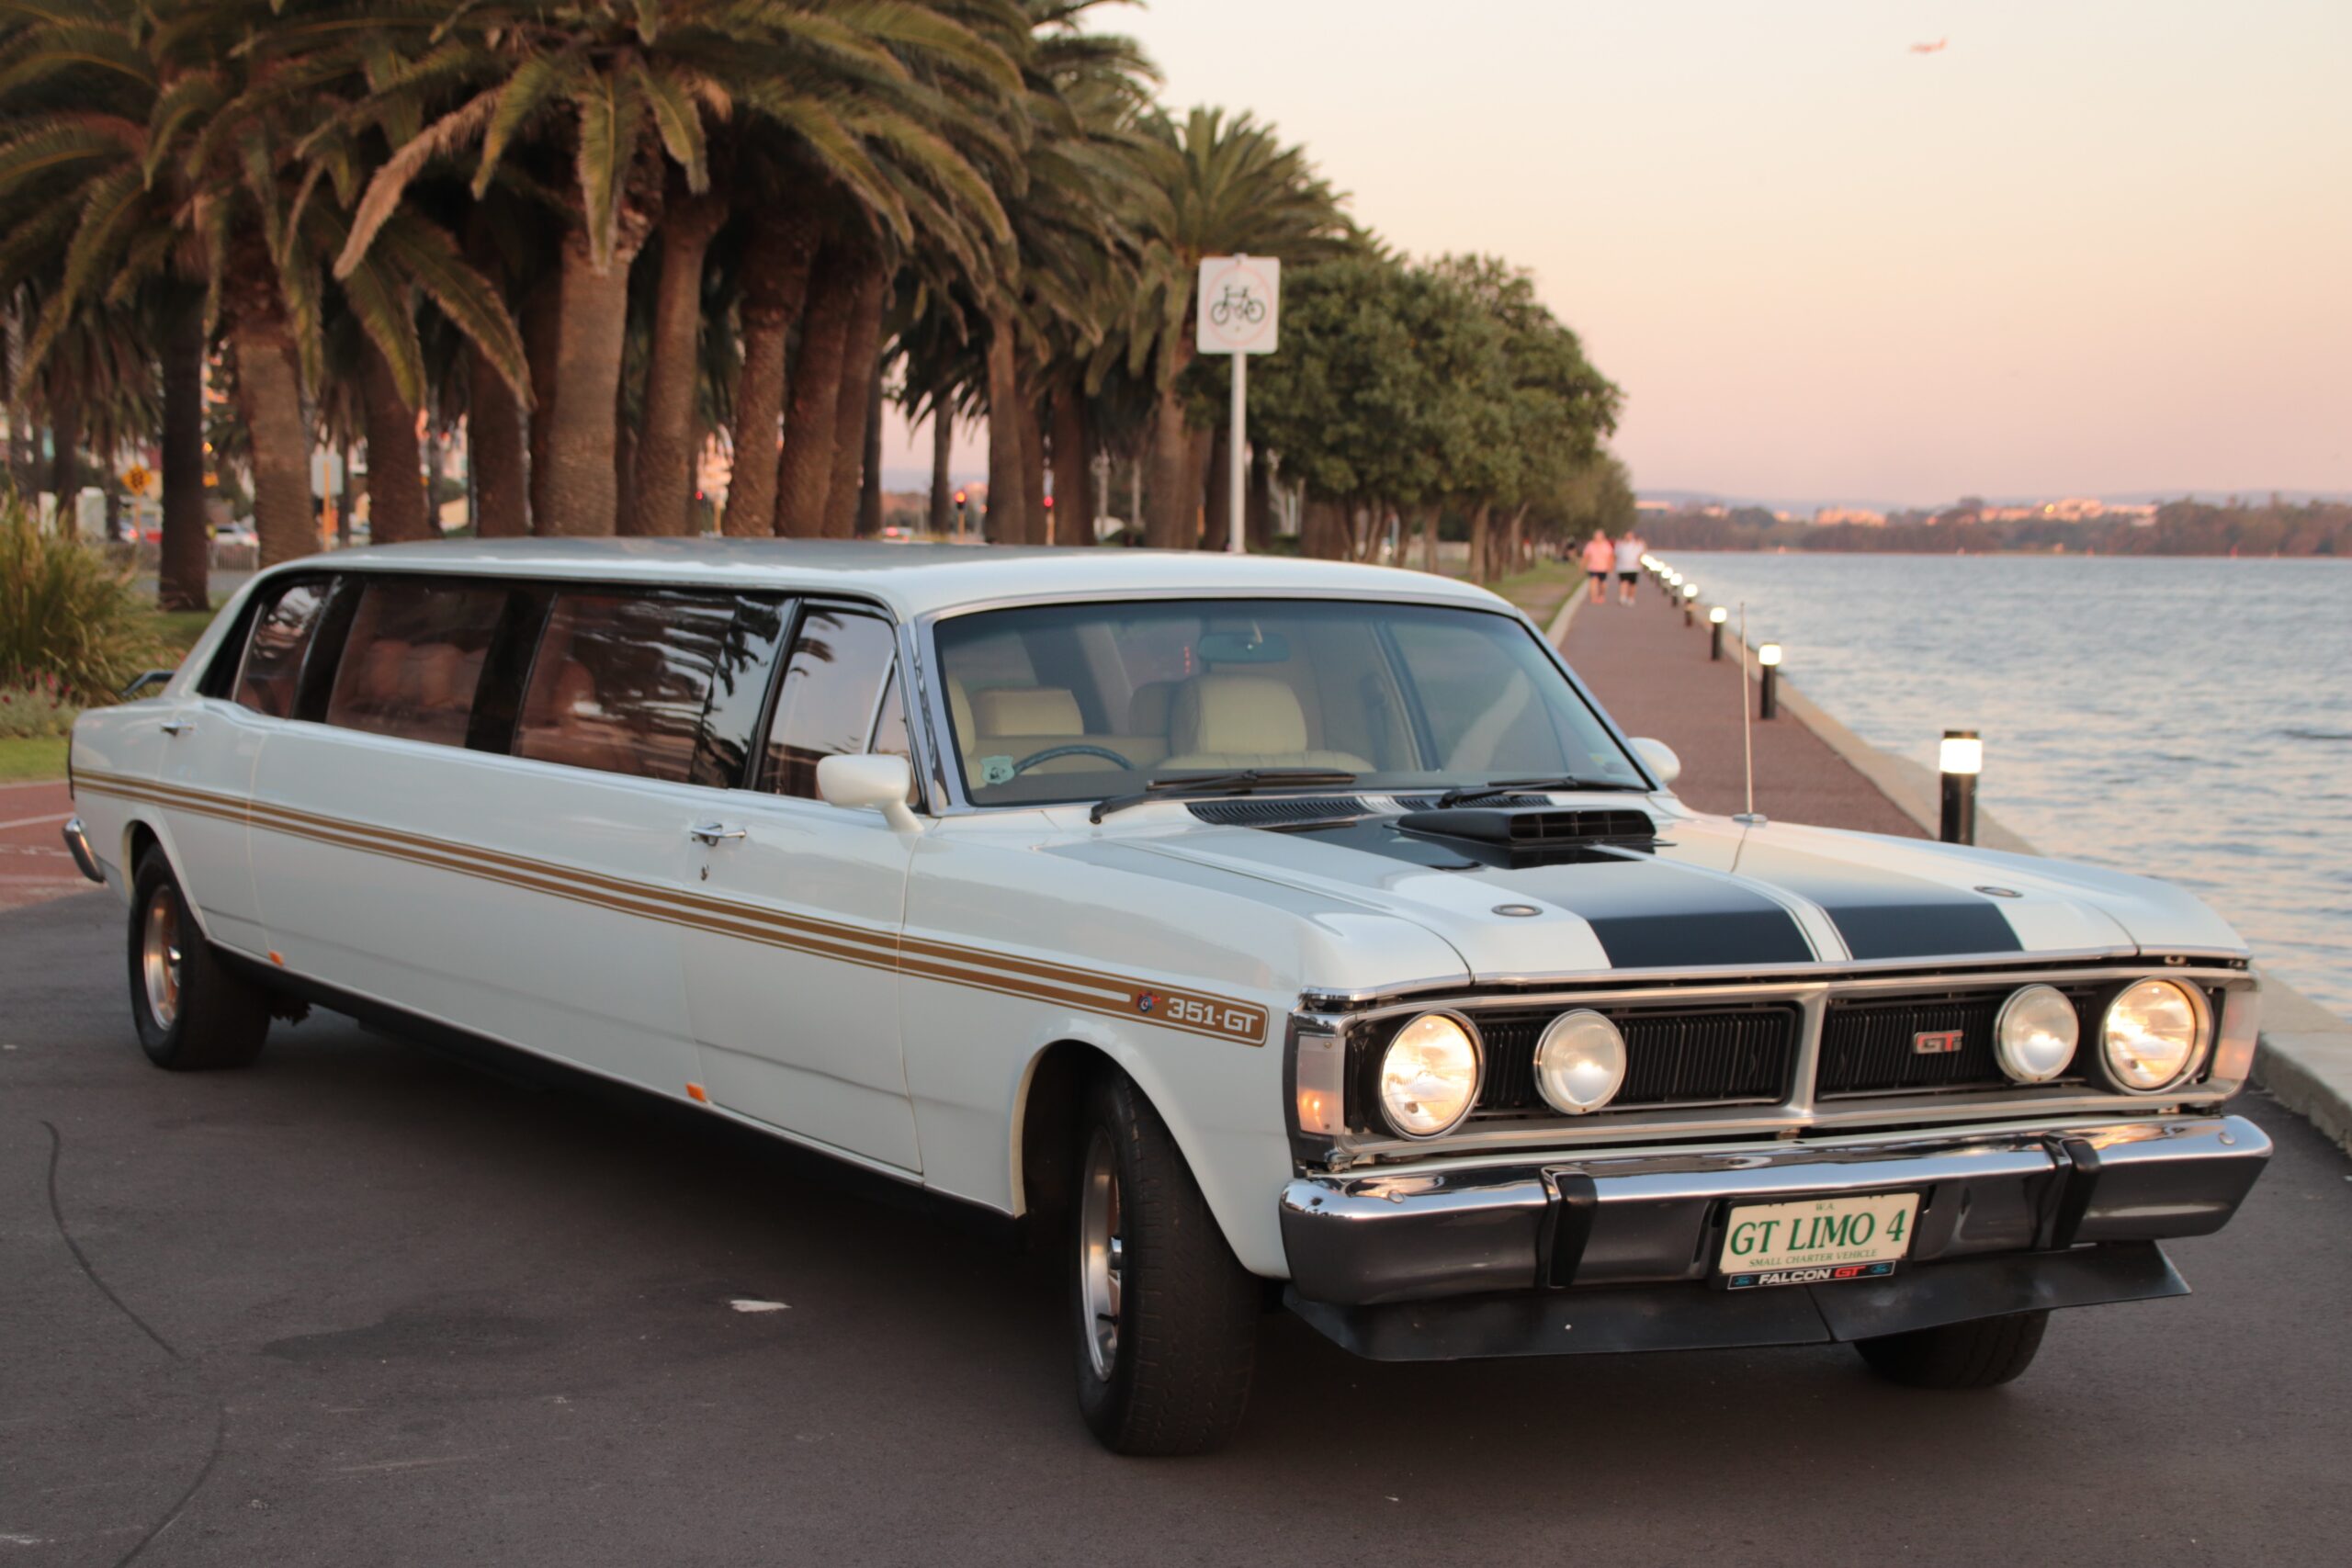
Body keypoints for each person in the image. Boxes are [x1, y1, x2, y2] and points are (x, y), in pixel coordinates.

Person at [1580, 530, 1615, 603]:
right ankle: (1594, 597)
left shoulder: (1606, 545)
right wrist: (1582, 566)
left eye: (1599, 537)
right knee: (1593, 582)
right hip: (1592, 568)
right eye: (1596, 537)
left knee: (1602, 584)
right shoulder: (1590, 545)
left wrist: (1611, 566)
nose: (1597, 538)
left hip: (1603, 568)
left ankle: (1601, 595)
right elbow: (1586, 556)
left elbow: (1610, 557)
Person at [1612, 528, 1646, 604]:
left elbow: (1642, 552)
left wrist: (1640, 561)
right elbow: (1615, 555)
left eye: (1630, 535)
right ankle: (1622, 597)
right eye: (1627, 535)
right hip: (1622, 568)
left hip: (1634, 568)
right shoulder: (1620, 544)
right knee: (1623, 582)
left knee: (1632, 584)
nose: (1628, 537)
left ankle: (1631, 598)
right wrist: (1613, 564)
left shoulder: (1637, 544)